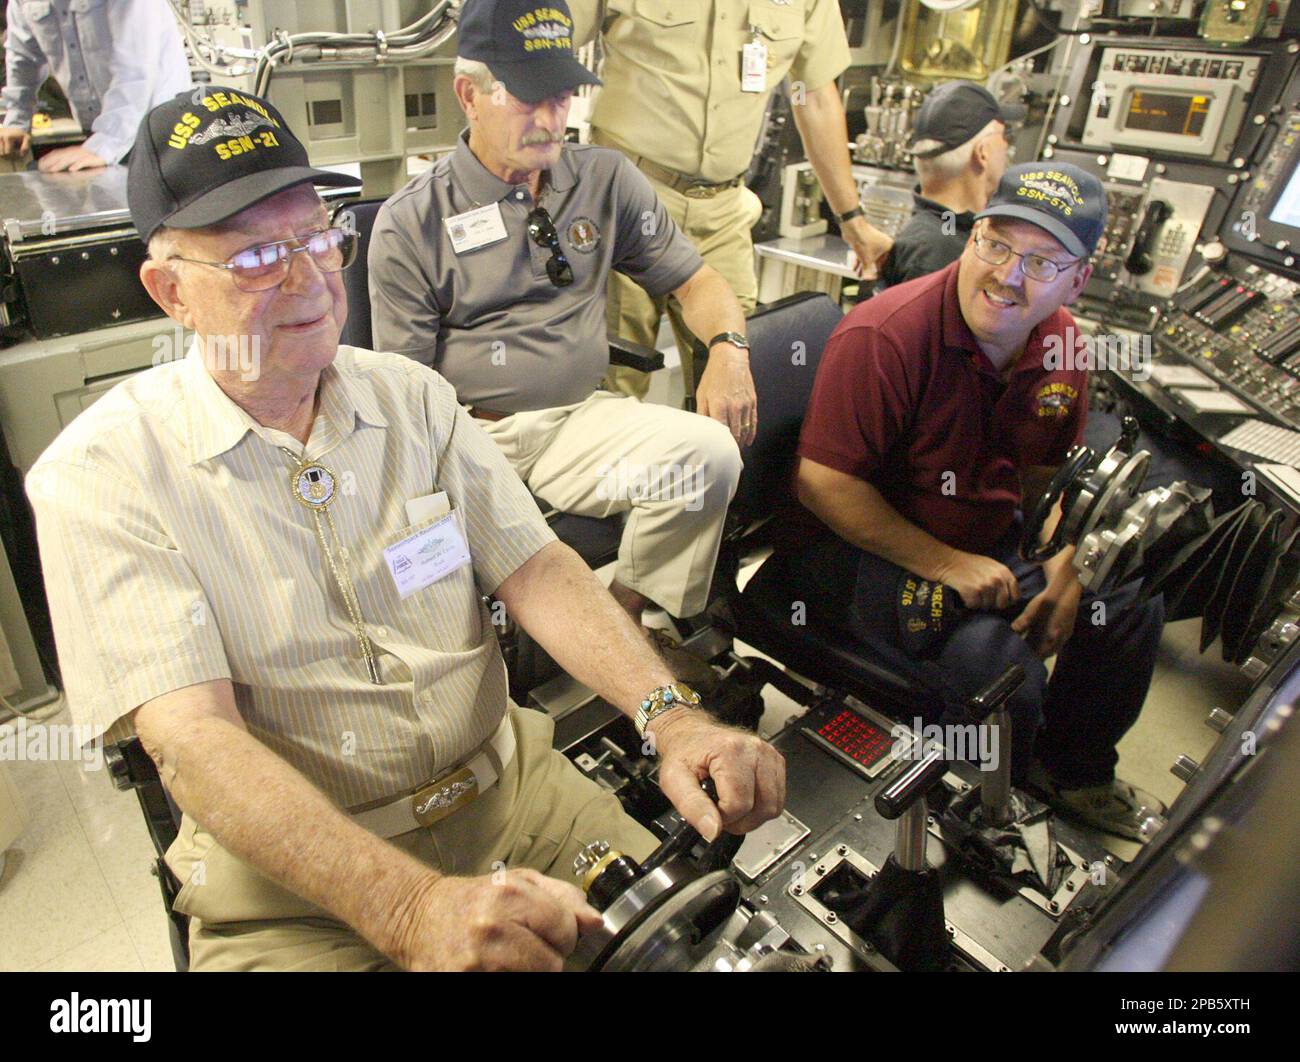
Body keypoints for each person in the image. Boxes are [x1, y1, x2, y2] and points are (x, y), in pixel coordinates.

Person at [25, 86, 785, 971]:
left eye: (319, 235)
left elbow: (536, 568)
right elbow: (193, 739)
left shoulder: (413, 398)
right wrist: (407, 905)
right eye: (260, 255)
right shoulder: (102, 477)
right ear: (169, 290)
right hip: (296, 891)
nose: (310, 280)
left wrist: (672, 717)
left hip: (517, 799)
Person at [368, 0, 755, 678]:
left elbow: (698, 283)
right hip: (467, 436)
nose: (551, 119)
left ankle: (620, 621)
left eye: (561, 95)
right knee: (407, 568)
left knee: (709, 457)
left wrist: (728, 348)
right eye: (527, 99)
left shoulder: (604, 180)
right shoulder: (413, 221)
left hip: (579, 423)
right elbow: (402, 396)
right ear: (470, 95)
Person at [783, 162, 1167, 842]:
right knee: (998, 675)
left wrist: (1064, 570)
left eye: (1042, 262)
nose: (1007, 275)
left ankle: (1072, 771)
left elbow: (1047, 481)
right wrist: (946, 565)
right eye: (995, 244)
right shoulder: (887, 336)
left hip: (987, 540)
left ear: (1079, 280)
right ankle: (984, 822)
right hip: (863, 553)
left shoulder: (1064, 345)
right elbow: (822, 485)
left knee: (1129, 600)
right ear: (970, 238)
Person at [569, 0, 894, 399]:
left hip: (724, 211)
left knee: (737, 382)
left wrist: (853, 221)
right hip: (626, 199)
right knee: (613, 386)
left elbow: (815, 97)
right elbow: (544, 41)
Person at [0, 0, 192, 171]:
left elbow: (134, 67)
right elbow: (24, 58)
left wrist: (105, 145)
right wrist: (18, 119)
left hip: (163, 133)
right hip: (101, 130)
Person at [876, 81, 1018, 291]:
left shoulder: (947, 224)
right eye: (1003, 136)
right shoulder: (938, 254)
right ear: (982, 152)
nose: (1006, 145)